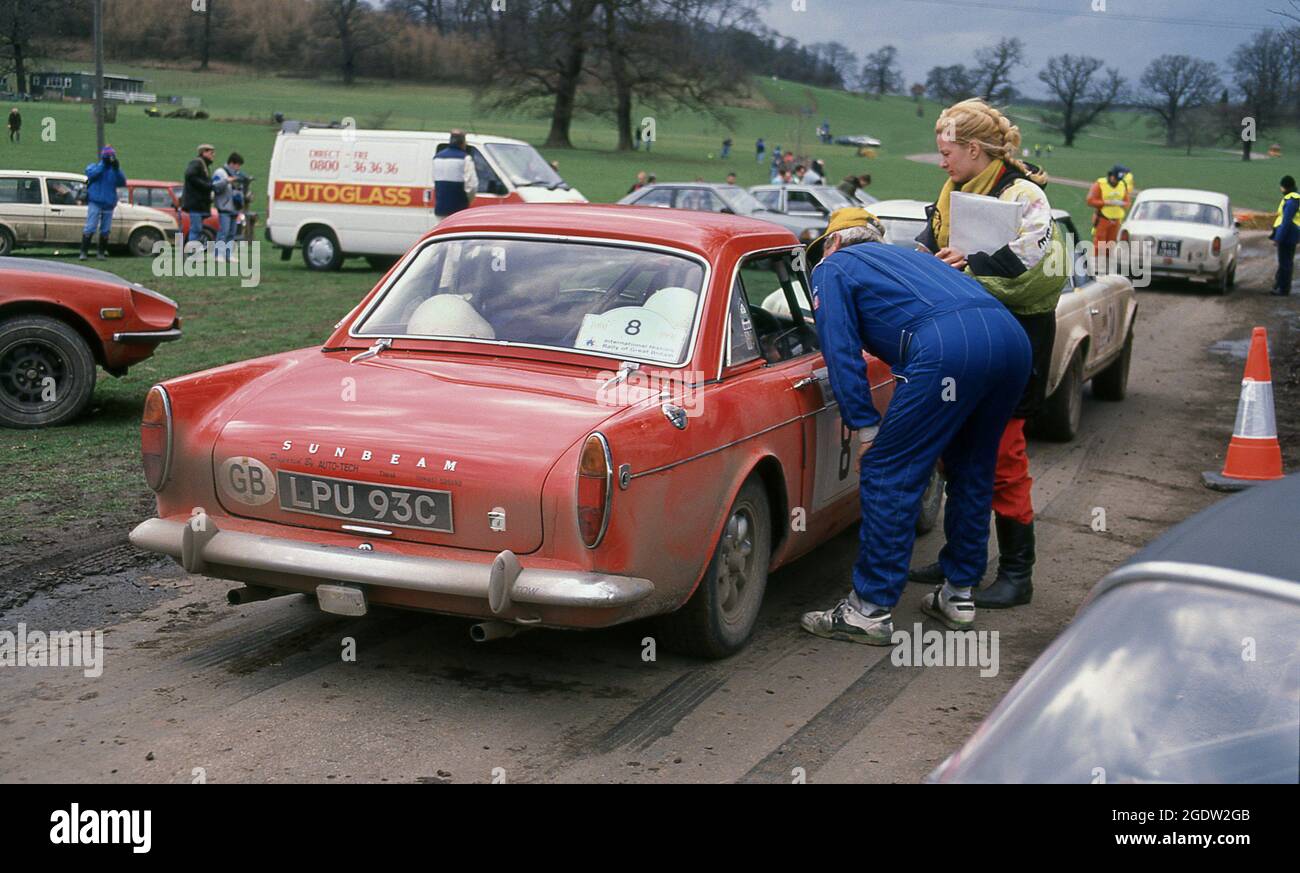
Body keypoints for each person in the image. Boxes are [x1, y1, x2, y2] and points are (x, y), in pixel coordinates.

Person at [799, 208, 1031, 644]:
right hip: (1010, 340)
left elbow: (840, 350)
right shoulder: (914, 257)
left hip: (948, 348)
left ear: (832, 243)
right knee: (971, 468)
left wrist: (865, 426)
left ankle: (868, 609)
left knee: (889, 470)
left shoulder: (833, 267)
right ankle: (959, 594)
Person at [911, 98, 1063, 609]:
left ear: (974, 149)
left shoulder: (1024, 195)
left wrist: (968, 266)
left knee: (1003, 459)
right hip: (965, 339)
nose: (942, 162)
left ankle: (1019, 574)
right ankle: (961, 561)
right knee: (958, 454)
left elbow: (1040, 260)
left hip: (1017, 343)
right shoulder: (952, 190)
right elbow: (928, 244)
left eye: (947, 151)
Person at [81, 145, 126, 260]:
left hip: (109, 203)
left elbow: (122, 182)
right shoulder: (94, 167)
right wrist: (103, 165)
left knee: (105, 229)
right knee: (90, 226)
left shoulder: (114, 171)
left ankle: (101, 252)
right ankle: (84, 252)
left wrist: (116, 169)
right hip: (95, 201)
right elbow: (91, 174)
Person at [1086, 165, 1130, 257]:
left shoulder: (1122, 185)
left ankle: (1108, 266)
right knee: (1100, 244)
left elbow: (1127, 202)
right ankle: (1096, 266)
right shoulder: (1099, 184)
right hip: (1103, 218)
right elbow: (1090, 201)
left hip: (1116, 220)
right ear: (1112, 176)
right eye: (1116, 179)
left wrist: (1121, 203)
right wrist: (1105, 202)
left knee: (1112, 244)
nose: (1117, 182)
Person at [433, 129, 477, 219]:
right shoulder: (465, 158)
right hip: (458, 209)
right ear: (463, 142)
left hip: (440, 207)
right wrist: (468, 200)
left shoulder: (437, 158)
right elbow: (471, 185)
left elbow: (434, 180)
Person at [211, 152, 245, 258]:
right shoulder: (220, 172)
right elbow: (215, 187)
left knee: (232, 234)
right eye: (238, 165)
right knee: (223, 232)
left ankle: (228, 255)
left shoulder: (237, 174)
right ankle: (218, 255)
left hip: (235, 207)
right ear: (232, 163)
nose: (238, 168)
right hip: (224, 207)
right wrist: (226, 181)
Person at [1269, 174, 1299, 296]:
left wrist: (1278, 238)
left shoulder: (1291, 201)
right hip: (1292, 233)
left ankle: (1283, 289)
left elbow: (1286, 221)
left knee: (1285, 262)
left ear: (1285, 187)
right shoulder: (1294, 198)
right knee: (1286, 262)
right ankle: (1279, 285)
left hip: (1288, 234)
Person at [182, 143, 216, 246]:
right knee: (196, 229)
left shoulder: (203, 164)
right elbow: (189, 175)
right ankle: (192, 252)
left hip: (199, 204)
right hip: (195, 203)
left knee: (198, 229)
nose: (213, 155)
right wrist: (206, 185)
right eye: (211, 153)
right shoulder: (197, 163)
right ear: (203, 152)